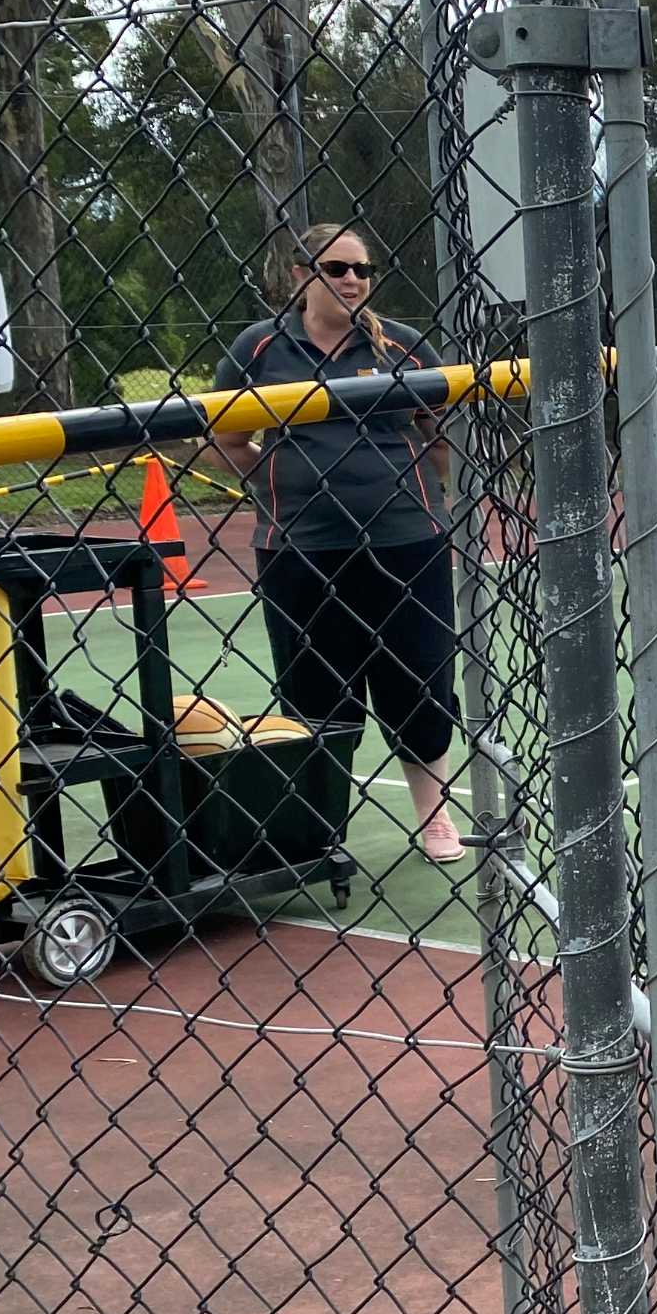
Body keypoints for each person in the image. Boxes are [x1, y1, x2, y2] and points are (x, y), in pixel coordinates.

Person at [207, 221, 462, 862]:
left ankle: (434, 816)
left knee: (420, 679)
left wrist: (426, 496)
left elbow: (440, 437)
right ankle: (318, 830)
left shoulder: (402, 346)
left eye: (363, 270)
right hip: (302, 550)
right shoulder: (260, 348)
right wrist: (281, 479)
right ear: (301, 276)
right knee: (314, 692)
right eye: (337, 268)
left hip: (406, 545)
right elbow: (226, 440)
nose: (352, 280)